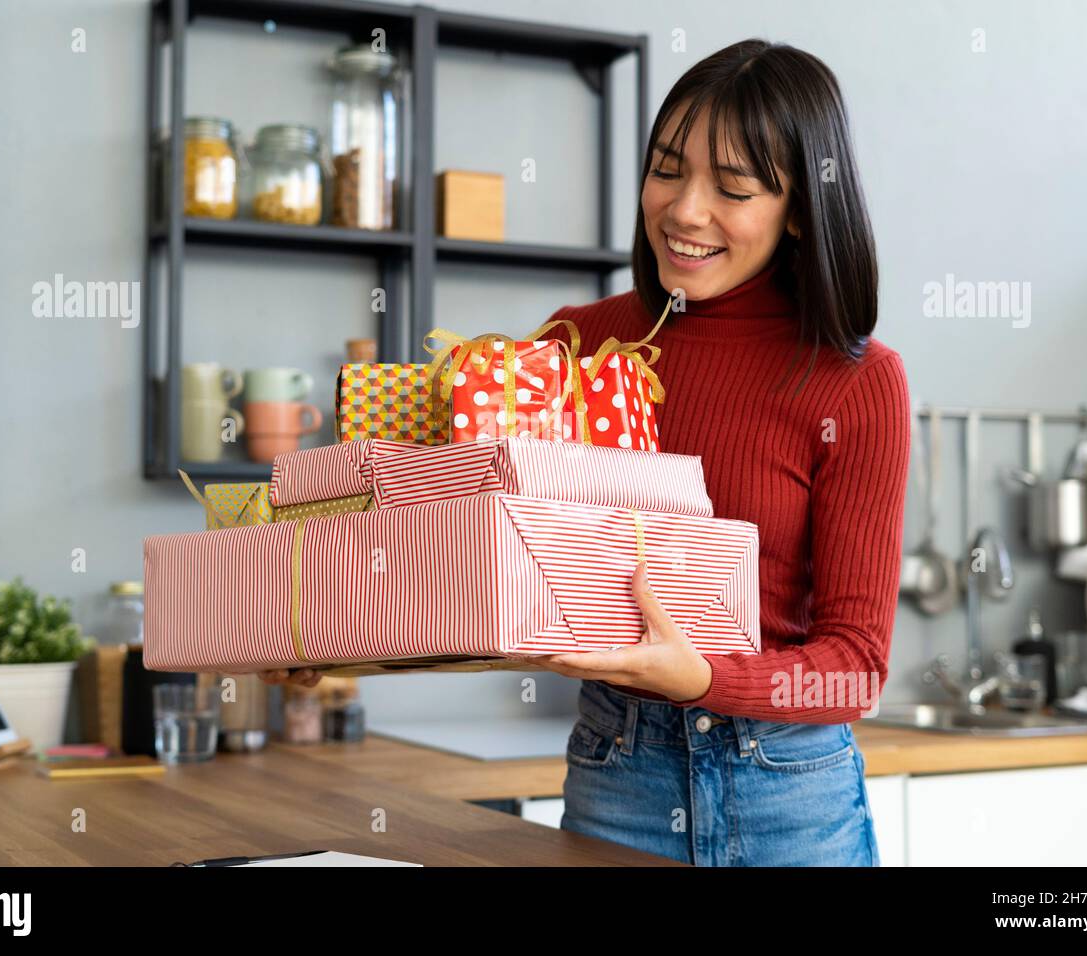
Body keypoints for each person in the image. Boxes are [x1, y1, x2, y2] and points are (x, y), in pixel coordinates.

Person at [263, 38, 910, 867]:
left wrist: (706, 679)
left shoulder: (857, 383)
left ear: (799, 213)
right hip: (620, 773)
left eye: (734, 188)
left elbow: (853, 671)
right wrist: (334, 634)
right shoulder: (579, 345)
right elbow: (474, 558)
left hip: (790, 797)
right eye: (668, 169)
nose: (684, 209)